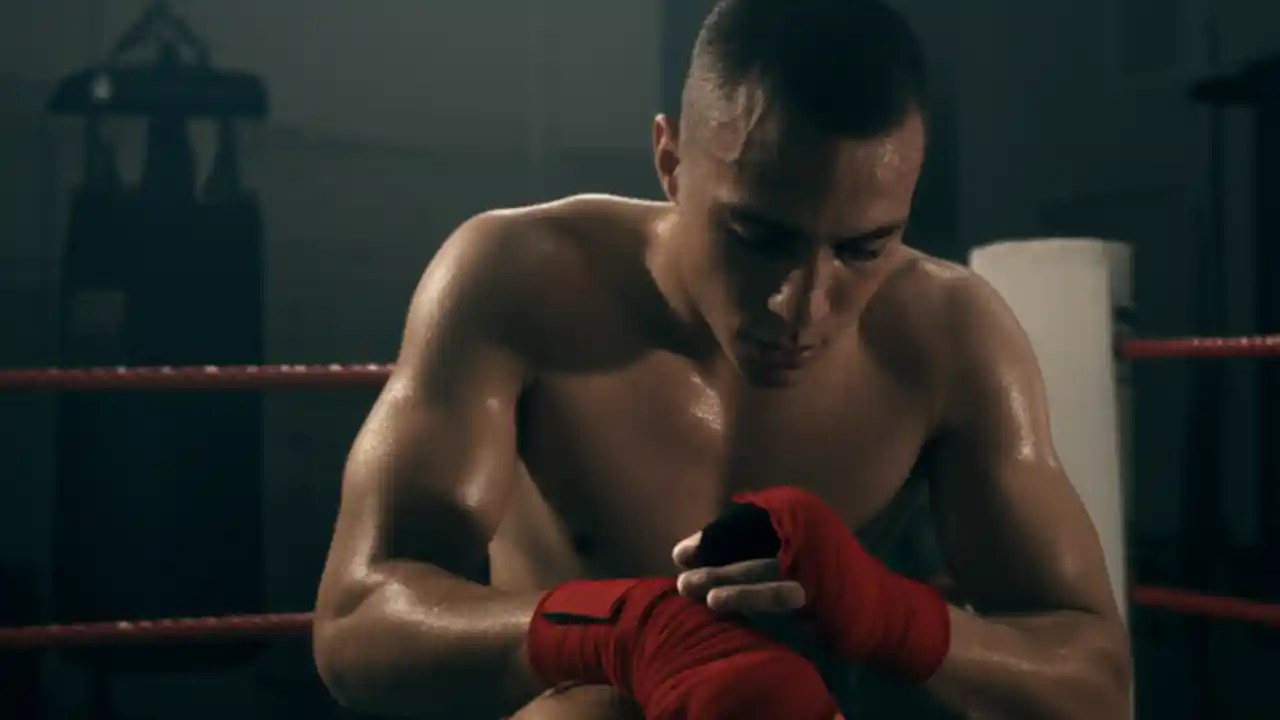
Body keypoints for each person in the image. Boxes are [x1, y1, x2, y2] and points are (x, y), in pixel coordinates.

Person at [312, 0, 1132, 717]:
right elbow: (355, 624)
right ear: (670, 163)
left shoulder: (950, 336)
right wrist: (621, 630)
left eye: (862, 247)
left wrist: (890, 615)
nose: (801, 304)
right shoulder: (518, 278)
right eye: (760, 237)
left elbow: (1095, 688)